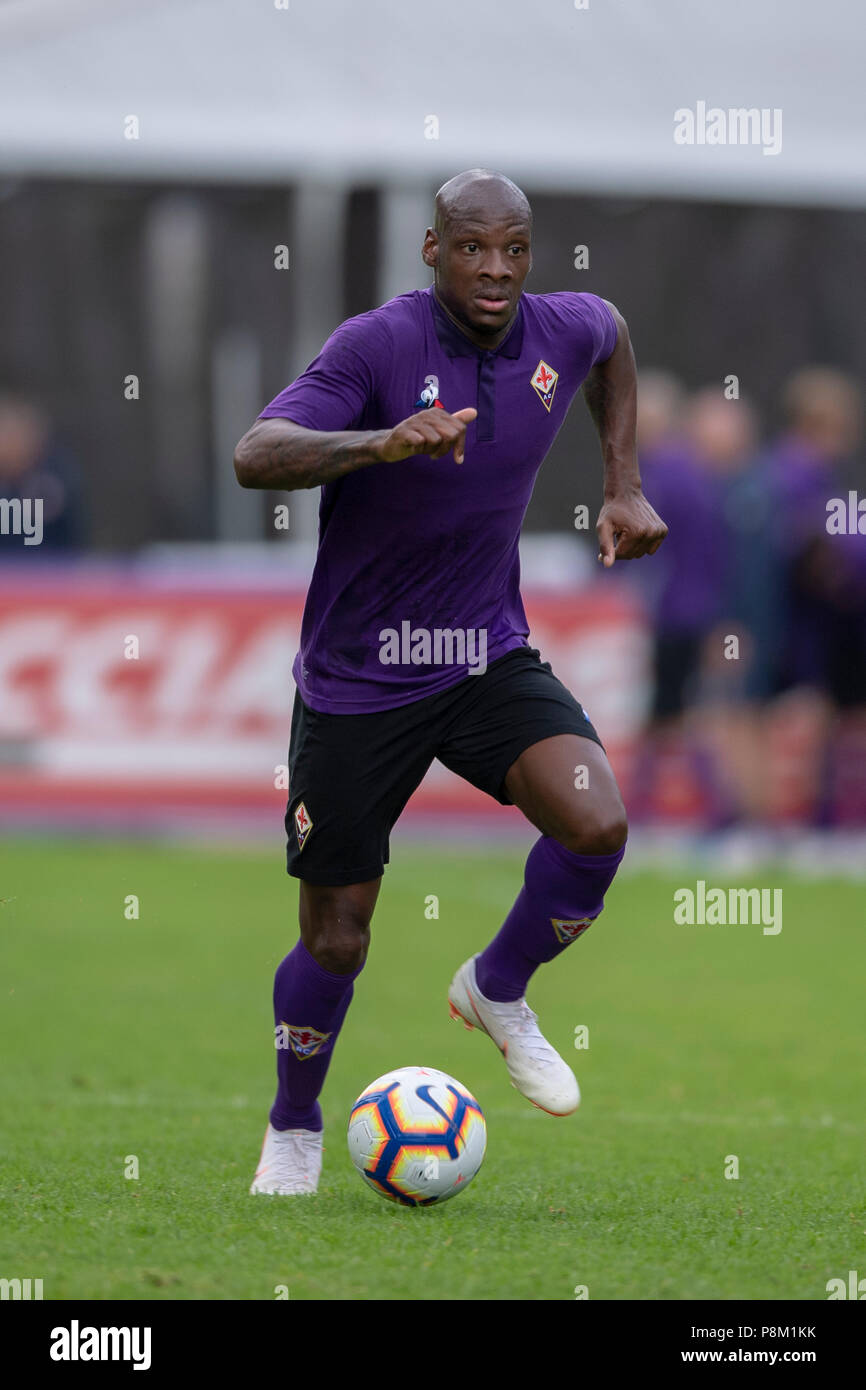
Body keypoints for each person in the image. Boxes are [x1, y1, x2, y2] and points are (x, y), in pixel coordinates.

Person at [233, 169, 667, 1195]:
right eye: (473, 248)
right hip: (357, 678)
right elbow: (257, 453)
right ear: (432, 251)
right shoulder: (376, 346)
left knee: (596, 825)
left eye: (513, 250)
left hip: (480, 656)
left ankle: (495, 988)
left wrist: (622, 482)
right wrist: (377, 443)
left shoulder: (559, 329)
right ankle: (294, 1124)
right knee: (337, 936)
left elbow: (609, 335)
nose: (495, 270)